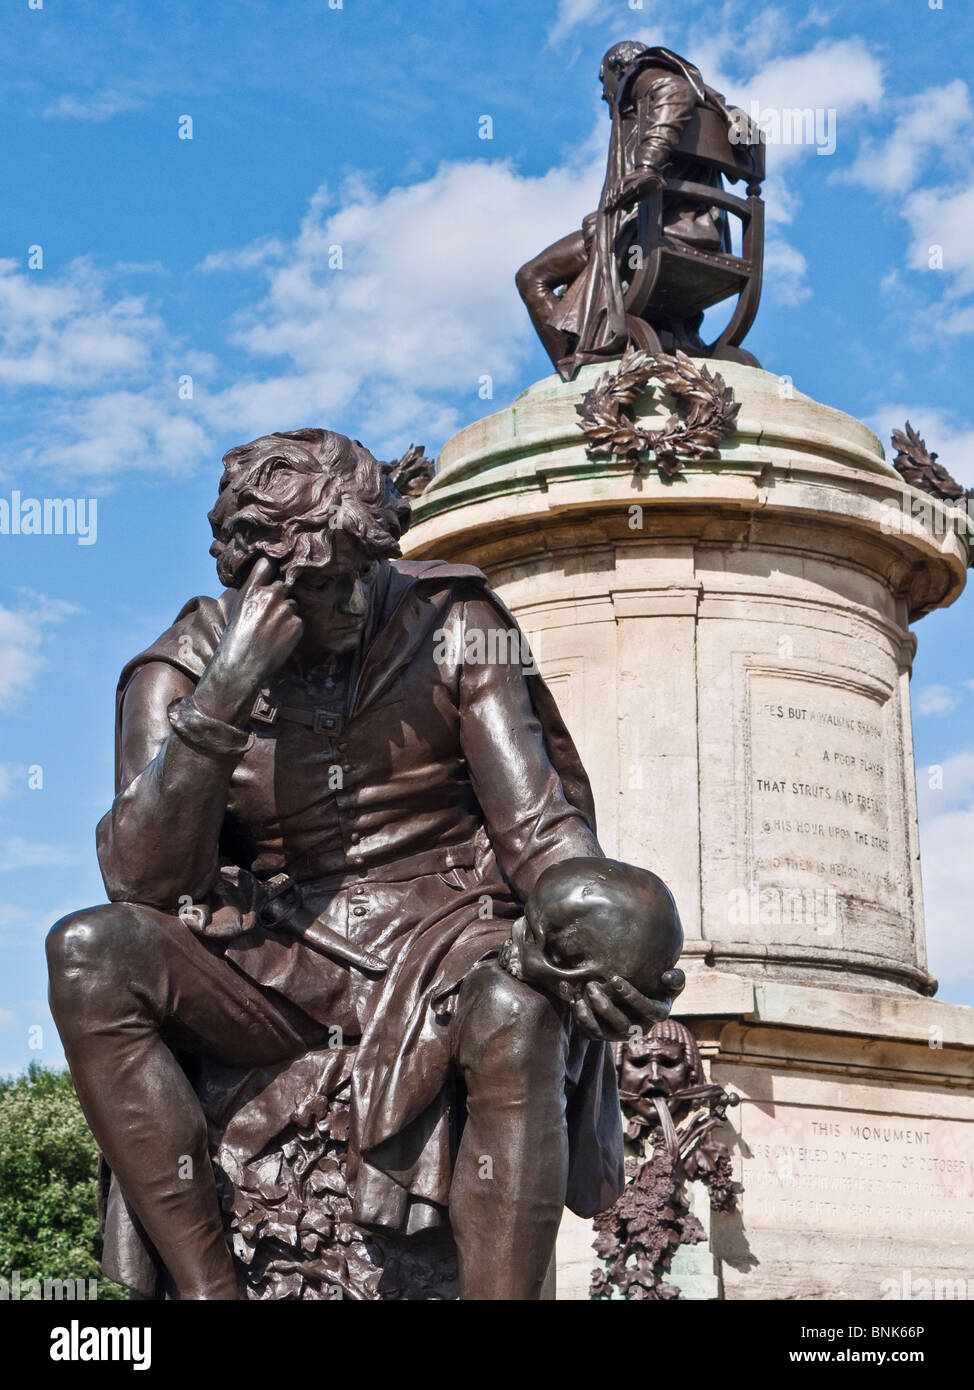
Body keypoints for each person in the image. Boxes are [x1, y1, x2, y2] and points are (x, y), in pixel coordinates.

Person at [46, 427, 683, 1300]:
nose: (351, 601)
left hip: (445, 942)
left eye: (361, 570)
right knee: (89, 951)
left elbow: (538, 829)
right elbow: (144, 886)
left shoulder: (455, 623)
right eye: (320, 586)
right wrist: (225, 697)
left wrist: (599, 925)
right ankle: (209, 1291)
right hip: (275, 966)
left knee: (518, 1005)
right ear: (258, 581)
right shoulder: (183, 668)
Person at [516, 40, 734, 374]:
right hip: (682, 228)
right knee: (590, 235)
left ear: (621, 70)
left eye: (606, 85)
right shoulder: (705, 104)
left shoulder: (647, 75)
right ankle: (591, 352)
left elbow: (672, 89)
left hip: (662, 233)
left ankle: (577, 374)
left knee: (532, 277)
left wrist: (646, 165)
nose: (606, 97)